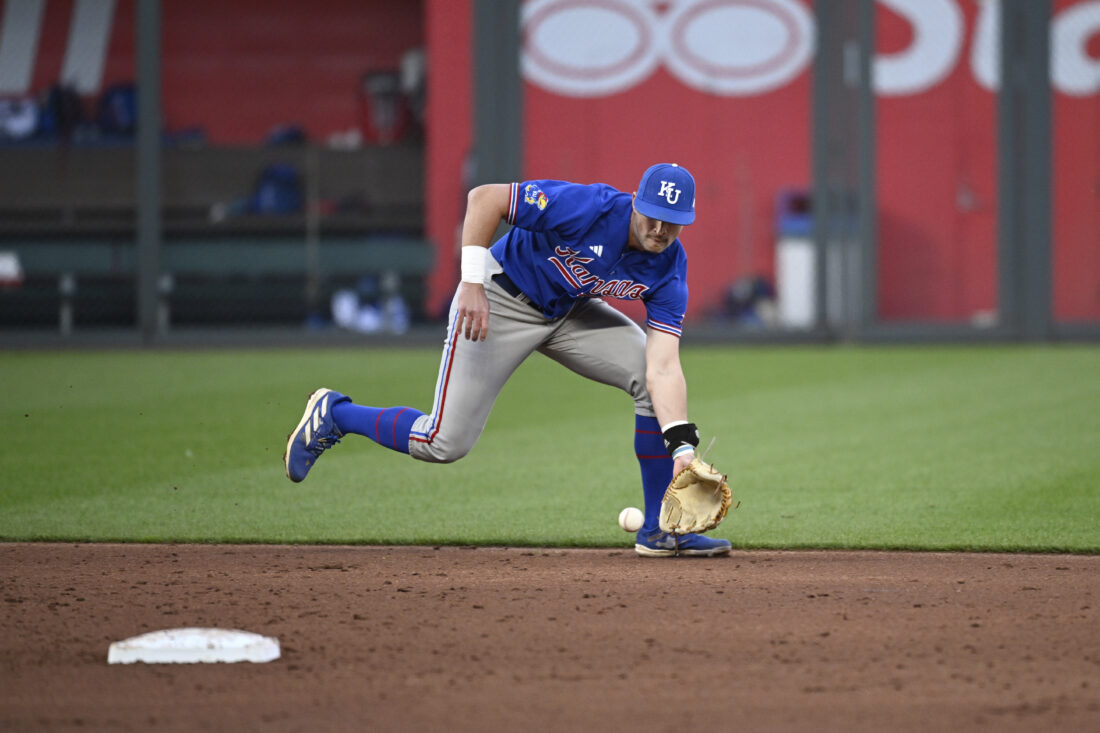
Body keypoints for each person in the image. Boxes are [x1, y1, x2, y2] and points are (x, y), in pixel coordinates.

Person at [284, 163, 731, 557]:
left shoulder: (670, 266)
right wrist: (473, 283)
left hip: (570, 311)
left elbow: (664, 366)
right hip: (501, 299)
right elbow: (486, 198)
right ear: (636, 202)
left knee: (648, 382)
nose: (660, 230)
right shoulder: (589, 207)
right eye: (653, 217)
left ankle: (658, 531)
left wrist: (683, 449)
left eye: (672, 223)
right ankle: (337, 414)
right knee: (444, 441)